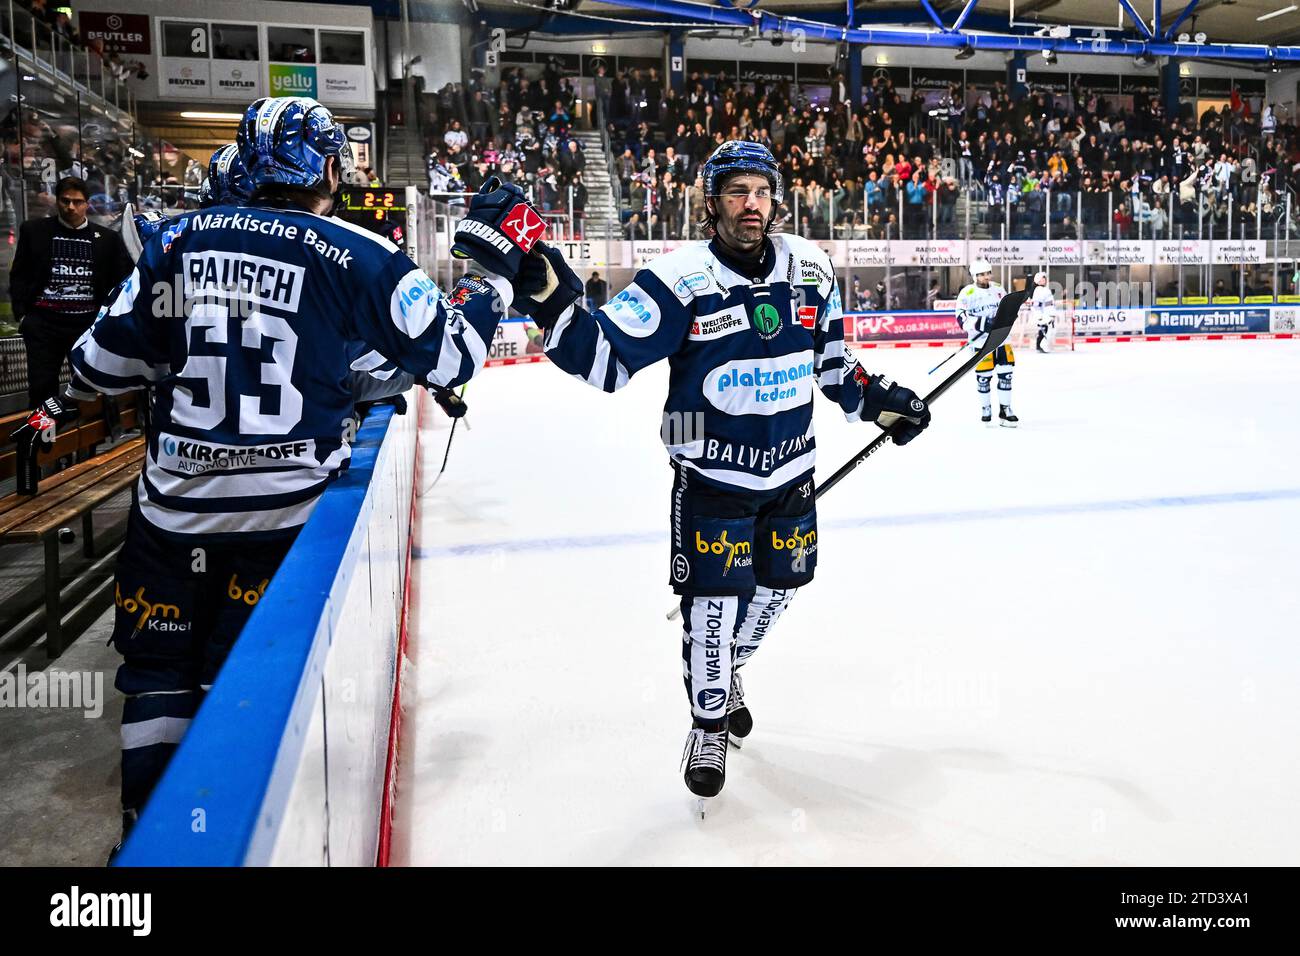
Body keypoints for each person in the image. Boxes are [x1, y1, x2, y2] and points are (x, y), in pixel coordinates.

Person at [10, 96, 536, 857]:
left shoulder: (173, 243)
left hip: (169, 521)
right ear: (327, 166)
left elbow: (94, 363)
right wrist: (491, 283)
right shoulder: (353, 251)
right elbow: (452, 358)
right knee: (242, 693)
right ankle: (214, 837)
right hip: (282, 526)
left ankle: (148, 837)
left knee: (157, 674)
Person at [507, 141, 931, 804]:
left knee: (774, 596)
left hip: (791, 476)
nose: (751, 205)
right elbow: (606, 360)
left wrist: (882, 403)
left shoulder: (811, 268)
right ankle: (707, 723)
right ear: (712, 204)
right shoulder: (679, 280)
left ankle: (727, 672)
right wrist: (549, 300)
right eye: (737, 192)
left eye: (761, 192)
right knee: (711, 611)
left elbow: (834, 366)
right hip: (712, 481)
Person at [9, 176, 132, 406]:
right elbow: (19, 274)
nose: (70, 207)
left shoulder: (107, 239)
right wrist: (24, 315)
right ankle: (43, 439)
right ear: (57, 201)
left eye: (77, 202)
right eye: (65, 201)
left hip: (86, 325)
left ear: (87, 204)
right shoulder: (34, 231)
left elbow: (120, 281)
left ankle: (86, 442)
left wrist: (107, 320)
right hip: (44, 325)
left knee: (89, 387)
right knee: (41, 388)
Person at [956, 258, 1018, 426]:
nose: (986, 277)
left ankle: (1005, 410)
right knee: (984, 378)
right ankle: (986, 408)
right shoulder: (967, 293)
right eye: (982, 274)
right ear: (974, 276)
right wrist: (982, 324)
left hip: (1002, 341)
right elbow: (961, 318)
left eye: (988, 273)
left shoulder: (998, 289)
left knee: (1006, 374)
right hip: (981, 343)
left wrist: (1010, 315)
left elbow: (1007, 308)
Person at [1031, 271, 1057, 353]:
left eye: (1044, 278)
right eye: (1042, 278)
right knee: (1046, 330)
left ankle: (1041, 346)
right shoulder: (1038, 290)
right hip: (1044, 315)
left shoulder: (1045, 289)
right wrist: (1039, 315)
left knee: (1047, 330)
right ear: (1038, 280)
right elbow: (1036, 304)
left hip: (1048, 314)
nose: (1044, 280)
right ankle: (1041, 346)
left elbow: (1049, 302)